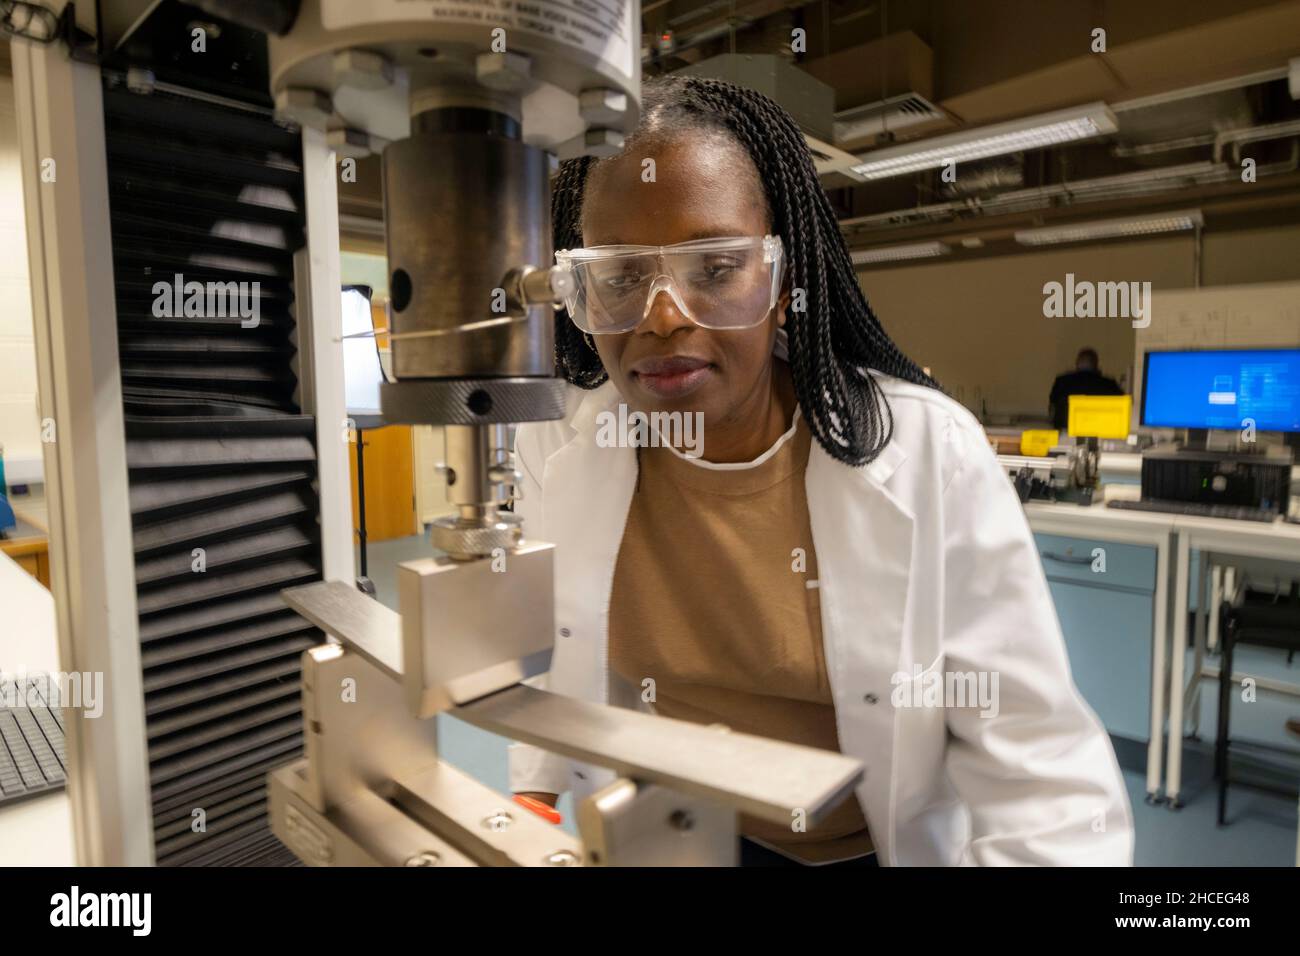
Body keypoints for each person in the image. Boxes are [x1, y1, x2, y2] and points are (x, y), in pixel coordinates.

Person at [509, 75, 1133, 867]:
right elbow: (562, 658)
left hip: (856, 851)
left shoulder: (929, 455)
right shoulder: (558, 444)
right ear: (576, 289)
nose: (663, 317)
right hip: (656, 835)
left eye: (714, 266)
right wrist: (529, 799)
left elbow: (1043, 784)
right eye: (622, 276)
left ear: (783, 281)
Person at [1049, 348, 1125, 430]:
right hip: (1101, 432)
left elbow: (1052, 407)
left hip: (1065, 432)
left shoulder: (1062, 382)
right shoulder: (1109, 384)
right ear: (1096, 365)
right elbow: (1122, 409)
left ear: (1077, 363)